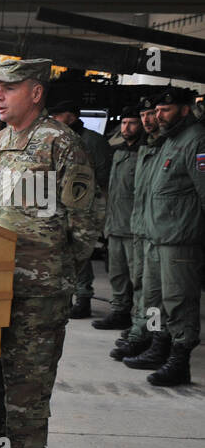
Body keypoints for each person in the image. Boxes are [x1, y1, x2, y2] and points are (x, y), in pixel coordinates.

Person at [0, 59, 98, 448]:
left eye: (8, 88)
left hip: (40, 291)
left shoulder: (60, 145)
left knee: (27, 381)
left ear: (35, 92)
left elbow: (85, 222)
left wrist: (55, 272)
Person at [136, 85, 204, 386]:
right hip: (155, 237)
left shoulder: (196, 140)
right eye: (156, 111)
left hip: (179, 240)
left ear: (185, 110)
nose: (158, 116)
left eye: (165, 110)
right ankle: (157, 345)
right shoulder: (168, 140)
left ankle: (180, 360)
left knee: (179, 302)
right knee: (153, 298)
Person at [49, 100, 112, 319]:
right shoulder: (59, 140)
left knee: (80, 254)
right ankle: (69, 296)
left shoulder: (92, 141)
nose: (54, 119)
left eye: (58, 115)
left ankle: (83, 298)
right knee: (64, 252)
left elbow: (104, 174)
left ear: (71, 117)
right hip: (62, 206)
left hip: (86, 208)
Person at [119, 99, 166, 365]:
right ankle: (142, 331)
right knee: (143, 288)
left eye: (153, 114)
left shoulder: (165, 146)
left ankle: (151, 337)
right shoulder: (148, 147)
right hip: (142, 227)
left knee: (160, 295)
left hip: (161, 231)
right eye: (146, 114)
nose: (149, 119)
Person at [91, 106, 144, 332]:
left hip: (135, 227)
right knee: (117, 273)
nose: (126, 128)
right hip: (115, 224)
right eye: (123, 123)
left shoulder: (145, 151)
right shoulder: (119, 152)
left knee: (140, 278)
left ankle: (141, 323)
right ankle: (120, 311)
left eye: (132, 123)